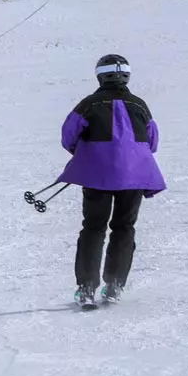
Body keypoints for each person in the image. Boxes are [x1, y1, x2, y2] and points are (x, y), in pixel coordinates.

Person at [59, 54, 165, 308]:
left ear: (99, 75)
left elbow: (68, 136)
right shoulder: (139, 104)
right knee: (124, 227)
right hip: (136, 176)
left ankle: (86, 287)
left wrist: (87, 153)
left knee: (94, 227)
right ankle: (115, 284)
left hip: (98, 175)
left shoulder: (89, 104)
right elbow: (153, 141)